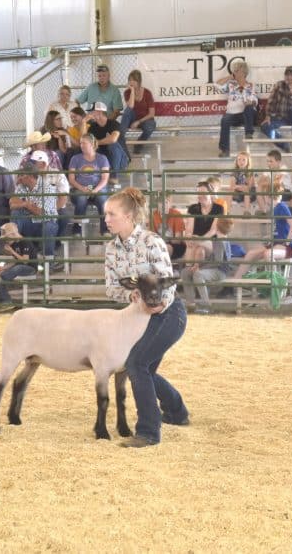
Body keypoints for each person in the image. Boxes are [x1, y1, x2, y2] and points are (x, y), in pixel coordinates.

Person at [103, 187, 189, 447]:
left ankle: (148, 432)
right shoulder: (111, 249)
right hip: (139, 318)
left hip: (169, 314)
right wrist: (129, 295)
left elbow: (167, 281)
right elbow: (111, 288)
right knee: (145, 369)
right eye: (105, 214)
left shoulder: (151, 242)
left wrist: (159, 304)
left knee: (136, 364)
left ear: (128, 216)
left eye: (111, 214)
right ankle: (176, 411)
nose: (106, 219)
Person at [231, 175, 292, 280]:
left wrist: (286, 243)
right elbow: (278, 230)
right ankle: (235, 281)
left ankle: (275, 284)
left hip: (288, 248)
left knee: (268, 254)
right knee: (250, 254)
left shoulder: (281, 206)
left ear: (267, 196)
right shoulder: (274, 208)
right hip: (275, 244)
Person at [10, 162, 64, 273]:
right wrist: (26, 204)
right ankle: (18, 256)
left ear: (30, 176)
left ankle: (49, 263)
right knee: (15, 214)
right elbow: (12, 203)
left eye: (21, 175)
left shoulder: (47, 188)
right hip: (29, 221)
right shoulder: (21, 186)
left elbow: (41, 213)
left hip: (45, 222)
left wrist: (25, 205)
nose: (19, 178)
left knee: (48, 227)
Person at [181, 216, 234, 315]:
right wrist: (198, 266)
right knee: (185, 272)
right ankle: (190, 303)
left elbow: (217, 262)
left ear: (217, 227)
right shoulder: (217, 239)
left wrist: (200, 268)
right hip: (214, 268)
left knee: (198, 275)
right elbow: (213, 259)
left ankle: (206, 305)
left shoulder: (220, 241)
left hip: (220, 271)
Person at [214, 59, 259, 158]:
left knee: (249, 108)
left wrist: (250, 102)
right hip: (232, 115)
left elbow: (255, 100)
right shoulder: (231, 85)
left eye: (237, 70)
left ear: (243, 73)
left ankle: (249, 133)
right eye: (234, 70)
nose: (234, 72)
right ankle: (225, 150)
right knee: (225, 119)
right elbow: (216, 85)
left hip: (246, 115)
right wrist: (230, 77)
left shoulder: (250, 85)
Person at [68, 133, 110, 235]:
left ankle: (105, 229)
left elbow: (105, 179)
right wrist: (82, 188)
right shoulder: (75, 158)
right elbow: (71, 179)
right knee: (81, 199)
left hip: (98, 187)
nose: (81, 145)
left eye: (84, 143)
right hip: (79, 188)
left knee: (102, 200)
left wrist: (95, 190)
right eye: (81, 143)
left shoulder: (102, 158)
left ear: (91, 144)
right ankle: (77, 230)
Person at [0, 222, 38, 304]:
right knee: (5, 273)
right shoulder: (14, 244)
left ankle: (0, 279)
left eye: (7, 238)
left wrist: (12, 251)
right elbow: (15, 261)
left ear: (12, 235)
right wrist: (2, 268)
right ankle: (6, 301)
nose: (6, 240)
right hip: (18, 267)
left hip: (30, 268)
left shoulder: (25, 241)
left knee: (14, 270)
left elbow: (25, 261)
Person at [260, 65, 292, 152]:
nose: (289, 77)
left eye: (291, 75)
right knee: (264, 126)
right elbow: (271, 100)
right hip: (280, 117)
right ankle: (284, 144)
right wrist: (268, 115)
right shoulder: (279, 85)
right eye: (287, 75)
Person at [119, 69, 157, 154]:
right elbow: (130, 106)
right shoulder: (127, 92)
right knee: (127, 111)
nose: (131, 82)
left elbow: (151, 114)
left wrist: (138, 121)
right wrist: (132, 91)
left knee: (150, 126)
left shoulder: (147, 93)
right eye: (130, 80)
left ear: (139, 81)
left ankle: (138, 144)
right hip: (132, 118)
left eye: (134, 80)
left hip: (144, 119)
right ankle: (120, 142)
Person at [87, 101, 129, 174]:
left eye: (92, 112)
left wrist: (97, 142)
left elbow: (113, 139)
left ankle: (114, 175)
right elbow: (87, 141)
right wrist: (83, 121)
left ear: (99, 112)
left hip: (121, 159)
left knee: (113, 145)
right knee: (88, 147)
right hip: (105, 158)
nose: (89, 114)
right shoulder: (92, 127)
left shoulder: (114, 124)